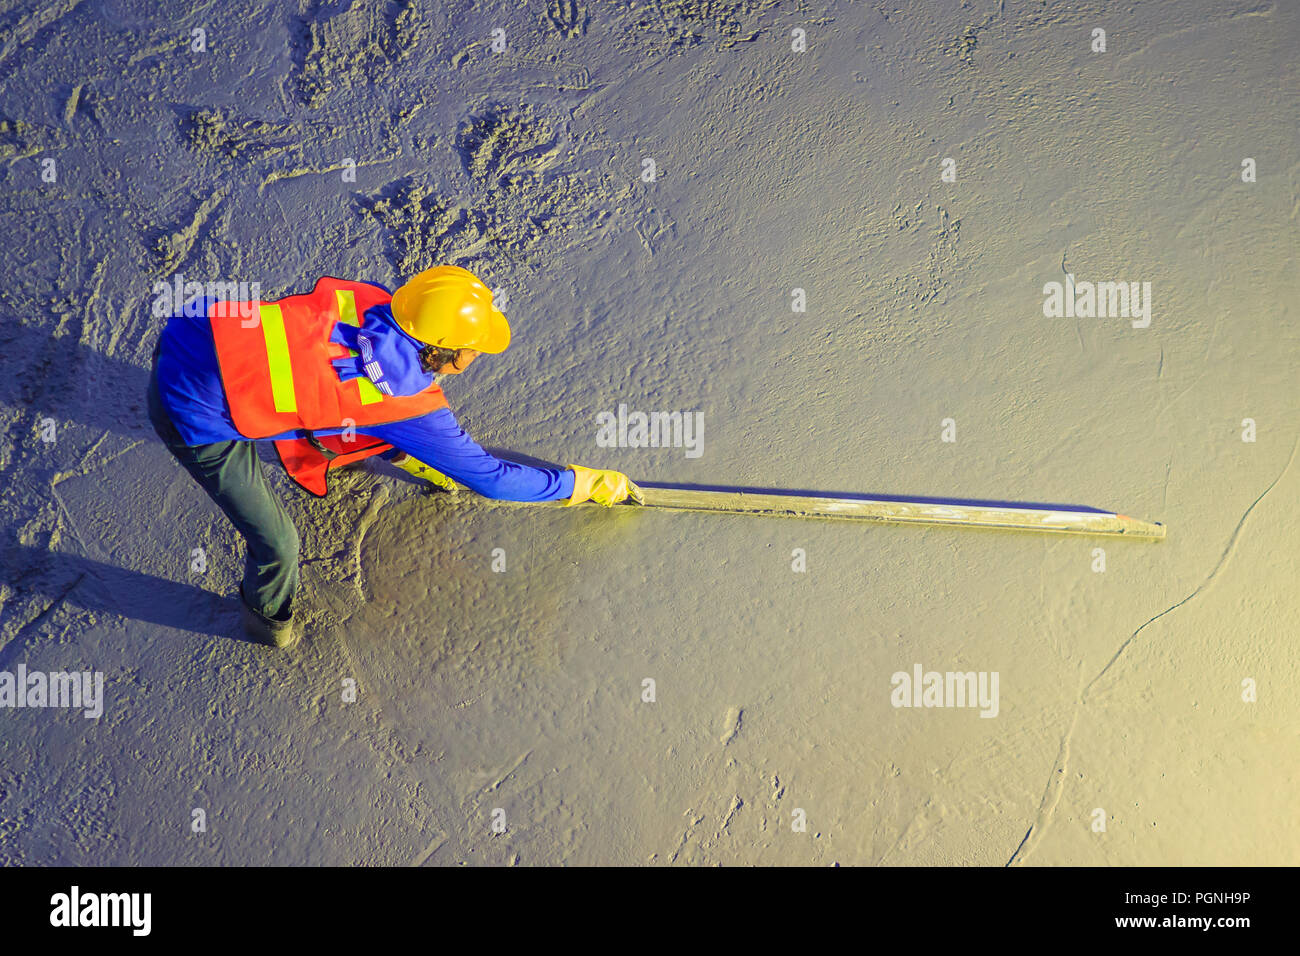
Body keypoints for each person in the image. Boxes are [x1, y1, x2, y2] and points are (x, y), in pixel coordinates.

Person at [147, 265, 640, 650]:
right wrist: (581, 484)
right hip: (189, 413)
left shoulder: (370, 300)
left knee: (340, 415)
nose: (472, 361)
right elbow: (491, 479)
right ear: (439, 351)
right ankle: (267, 624)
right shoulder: (405, 406)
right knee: (279, 545)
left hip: (195, 328)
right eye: (470, 351)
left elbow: (324, 365)